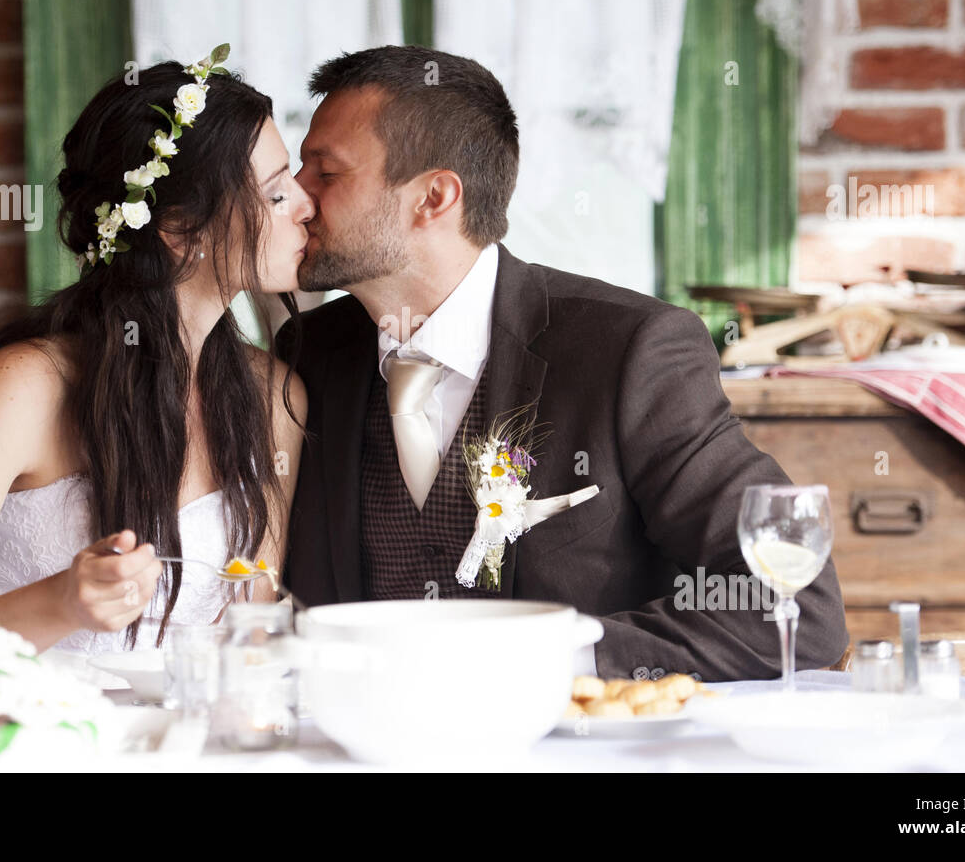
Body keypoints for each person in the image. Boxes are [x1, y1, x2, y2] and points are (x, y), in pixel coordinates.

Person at [277, 45, 850, 680]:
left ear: (433, 197)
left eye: (325, 172)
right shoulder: (304, 355)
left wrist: (554, 660)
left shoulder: (630, 350)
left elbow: (792, 603)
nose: (296, 196)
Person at [0, 54, 312, 657]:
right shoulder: (26, 386)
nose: (306, 205)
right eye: (275, 194)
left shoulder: (274, 396)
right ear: (178, 229)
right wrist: (61, 602)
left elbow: (250, 636)